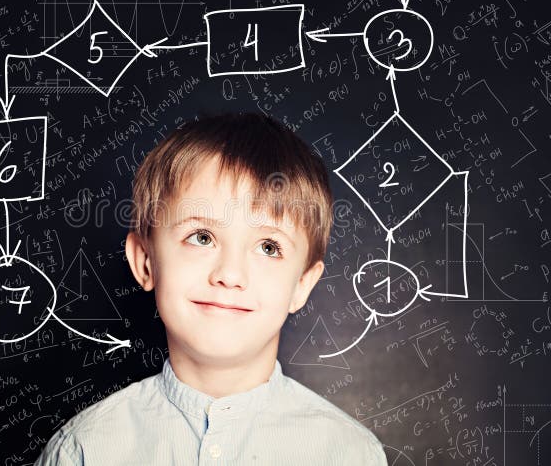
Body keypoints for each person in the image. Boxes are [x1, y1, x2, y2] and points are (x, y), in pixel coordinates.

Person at [35, 112, 387, 465]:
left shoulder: (350, 454)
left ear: (301, 285)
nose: (229, 274)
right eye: (202, 237)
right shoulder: (82, 450)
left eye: (268, 247)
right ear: (144, 262)